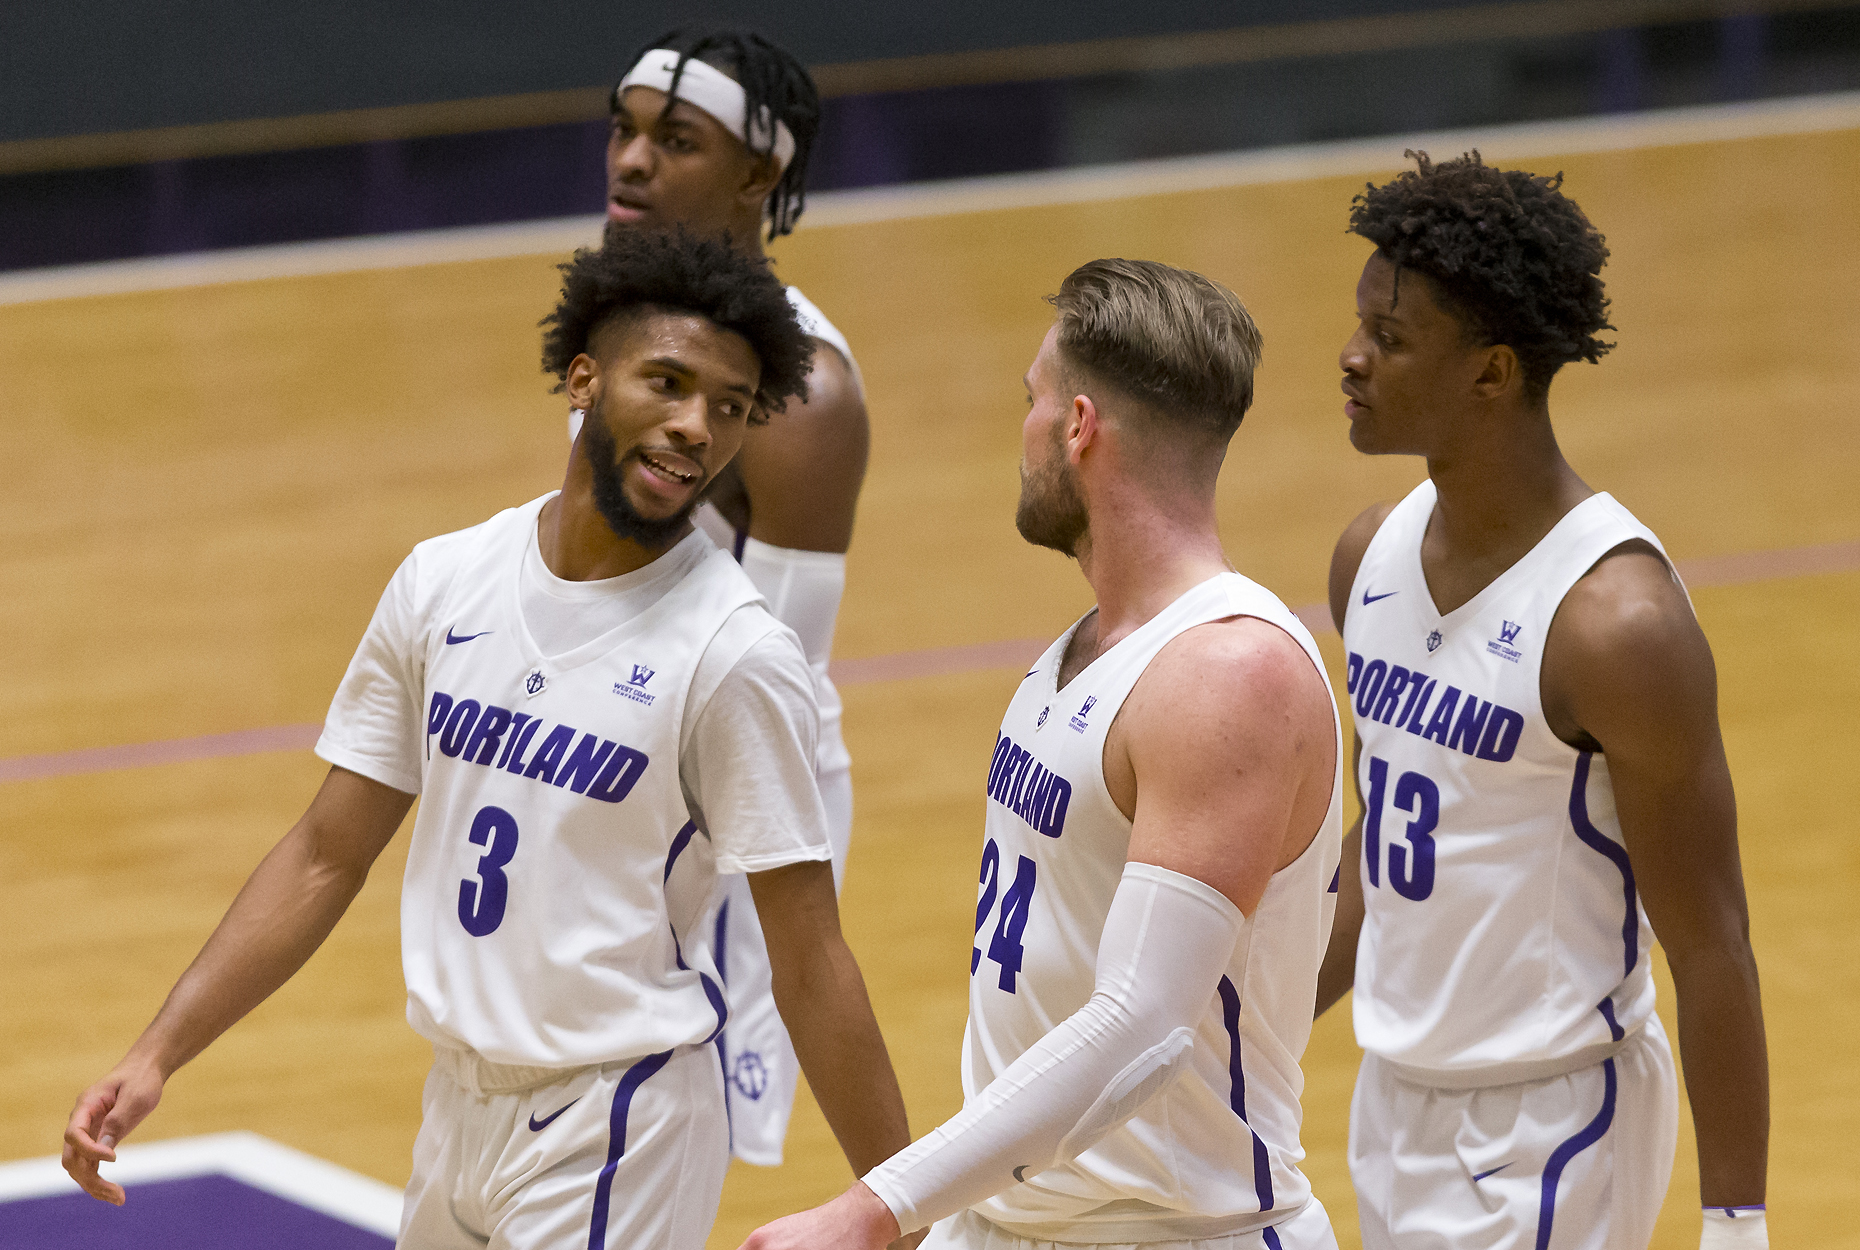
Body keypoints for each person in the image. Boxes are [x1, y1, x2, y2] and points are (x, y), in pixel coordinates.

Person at [62, 227, 913, 1250]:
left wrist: (891, 1204)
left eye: (728, 407)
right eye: (669, 382)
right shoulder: (444, 579)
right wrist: (158, 1050)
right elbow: (326, 851)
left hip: (619, 1116)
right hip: (457, 1103)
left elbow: (810, 957)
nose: (696, 426)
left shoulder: (732, 654)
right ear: (585, 378)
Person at [738, 258, 1348, 1250]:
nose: (1016, 433)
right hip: (1011, 1221)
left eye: (1028, 401)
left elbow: (1142, 1025)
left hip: (1181, 1232)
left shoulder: (1229, 673)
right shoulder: (1079, 651)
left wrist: (872, 1206)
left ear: (1075, 425)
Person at [1313, 152, 1771, 1249]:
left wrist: (1736, 1222)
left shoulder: (1615, 625)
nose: (1351, 355)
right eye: (1359, 322)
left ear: (1491, 372)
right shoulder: (1364, 557)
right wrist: (1240, 1027)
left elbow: (1710, 941)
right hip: (1392, 1097)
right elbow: (1379, 838)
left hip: (1554, 1117)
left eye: (1390, 334)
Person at [592, 26, 871, 1165]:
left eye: (676, 139)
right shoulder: (628, 322)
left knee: (651, 1132)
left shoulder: (800, 393)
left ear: (758, 176)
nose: (631, 160)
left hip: (726, 804)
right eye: (624, 127)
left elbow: (774, 675)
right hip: (615, 751)